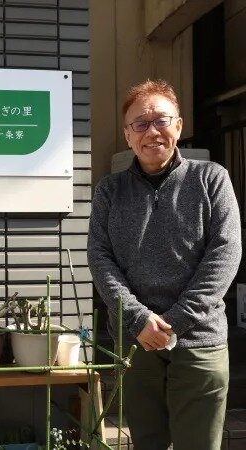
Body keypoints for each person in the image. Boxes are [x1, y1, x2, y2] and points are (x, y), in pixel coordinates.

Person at [88, 79, 242, 450]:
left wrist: (175, 322)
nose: (151, 131)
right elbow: (100, 257)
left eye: (161, 120)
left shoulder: (211, 178)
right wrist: (138, 319)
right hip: (136, 341)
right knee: (147, 442)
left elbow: (225, 253)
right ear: (127, 135)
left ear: (179, 125)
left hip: (199, 339)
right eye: (140, 124)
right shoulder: (109, 190)